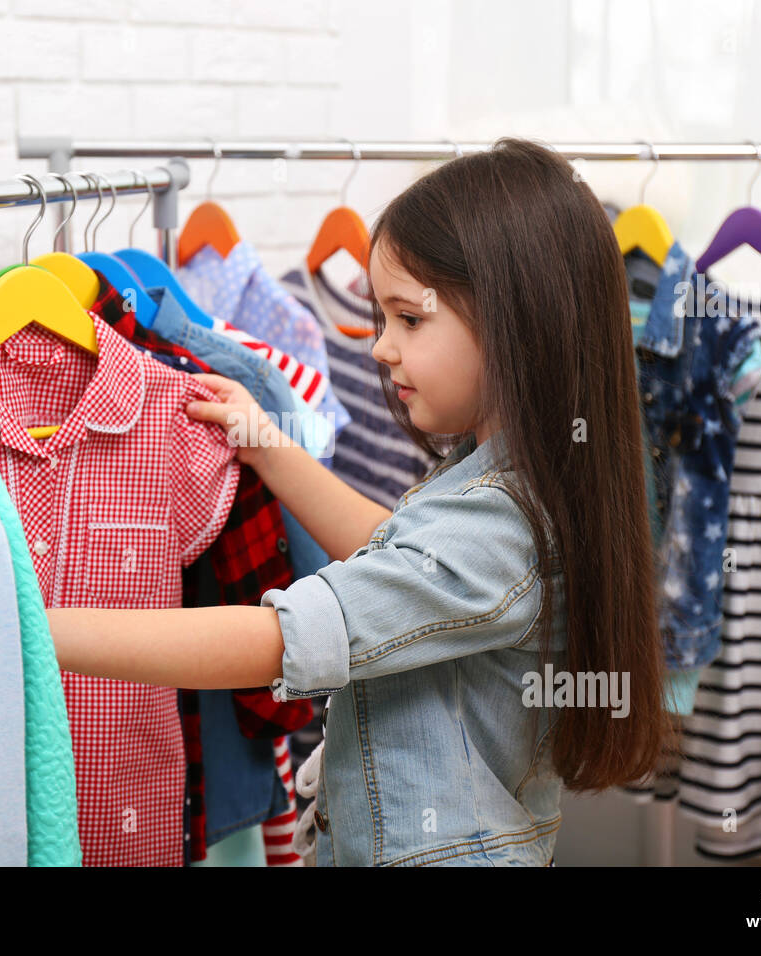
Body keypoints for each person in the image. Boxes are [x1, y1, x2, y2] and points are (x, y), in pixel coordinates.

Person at [47, 138, 674, 866]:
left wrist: (35, 624)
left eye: (409, 320)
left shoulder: (498, 527)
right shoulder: (503, 486)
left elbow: (277, 639)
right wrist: (269, 446)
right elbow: (392, 558)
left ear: (516, 324)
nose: (379, 347)